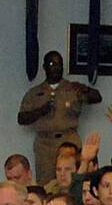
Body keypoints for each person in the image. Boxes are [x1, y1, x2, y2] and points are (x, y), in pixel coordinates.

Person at [18, 50, 102, 182]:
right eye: (52, 64)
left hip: (69, 141)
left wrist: (84, 89)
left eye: (59, 64)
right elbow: (21, 119)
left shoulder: (73, 88)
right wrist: (40, 111)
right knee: (46, 183)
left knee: (74, 180)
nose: (56, 68)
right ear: (44, 67)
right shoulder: (35, 92)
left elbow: (97, 97)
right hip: (45, 144)